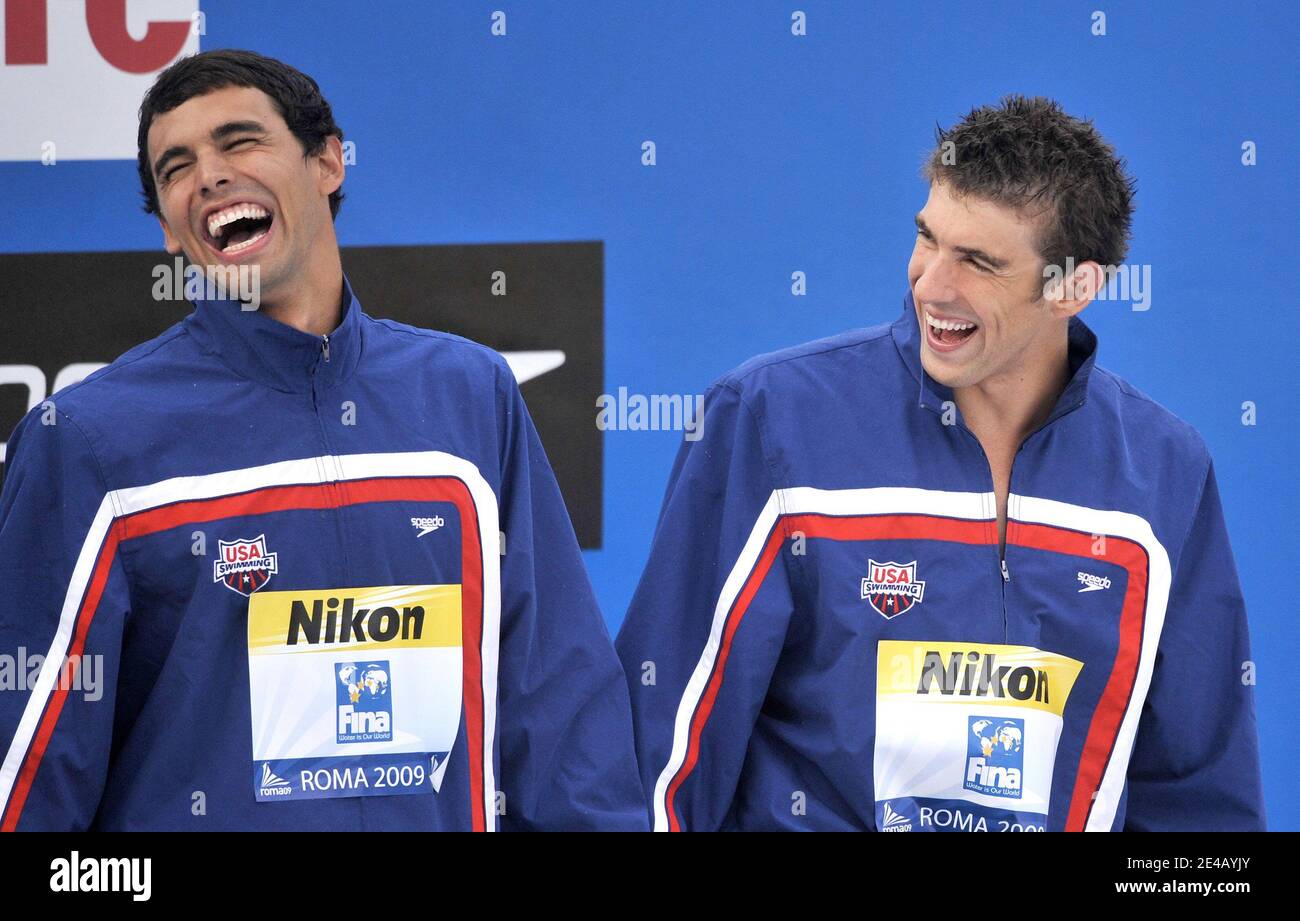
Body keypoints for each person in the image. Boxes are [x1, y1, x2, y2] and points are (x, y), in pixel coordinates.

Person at [0, 49, 645, 831]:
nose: (208, 175)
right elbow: (28, 773)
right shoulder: (90, 439)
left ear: (329, 162)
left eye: (239, 142)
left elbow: (562, 702)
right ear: (170, 232)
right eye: (177, 166)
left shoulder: (470, 396)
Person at [616, 96, 1265, 832]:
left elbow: (1200, 799)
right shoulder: (771, 420)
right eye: (928, 238)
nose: (930, 284)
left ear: (1076, 287)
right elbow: (661, 758)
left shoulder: (1164, 472)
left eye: (979, 262)